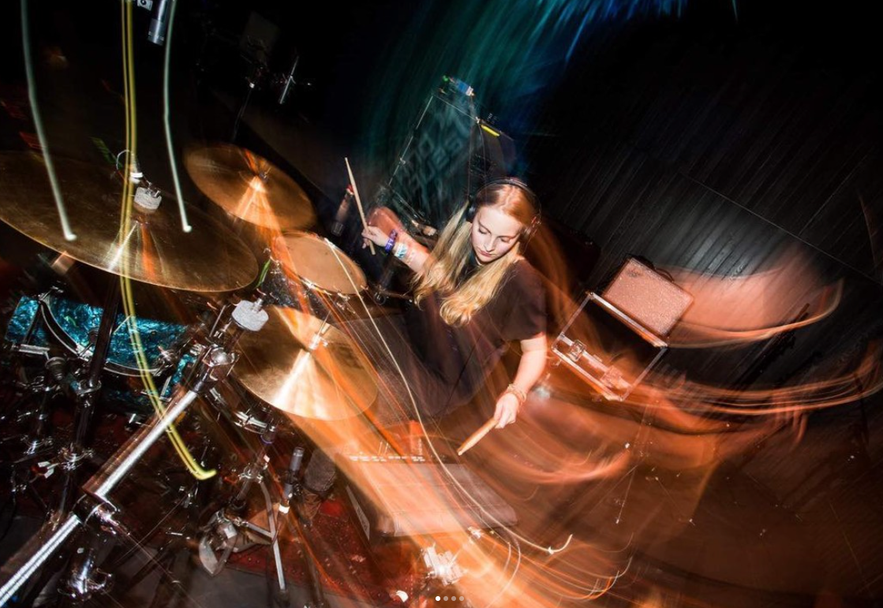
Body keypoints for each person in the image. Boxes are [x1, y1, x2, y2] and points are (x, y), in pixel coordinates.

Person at [299, 179, 548, 520]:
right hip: (407, 336)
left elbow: (536, 350)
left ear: (523, 235)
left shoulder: (522, 283)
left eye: (505, 239)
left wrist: (516, 393)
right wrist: (390, 242)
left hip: (436, 383)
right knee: (328, 337)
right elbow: (434, 268)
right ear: (471, 218)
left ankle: (307, 495)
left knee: (350, 410)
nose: (489, 245)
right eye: (483, 230)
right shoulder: (462, 243)